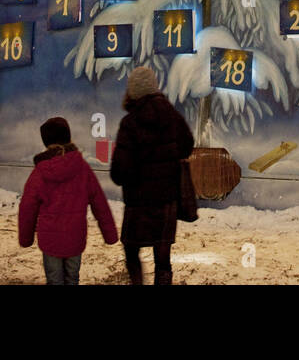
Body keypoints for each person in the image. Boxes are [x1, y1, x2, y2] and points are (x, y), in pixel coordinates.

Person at [110, 66, 194, 285]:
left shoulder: (129, 123)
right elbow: (187, 146)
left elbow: (119, 172)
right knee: (163, 256)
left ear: (133, 91)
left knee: (131, 249)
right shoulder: (173, 117)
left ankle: (137, 282)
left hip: (138, 201)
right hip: (167, 200)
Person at [18, 116, 118, 285]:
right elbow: (99, 203)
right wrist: (110, 235)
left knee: (54, 280)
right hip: (75, 238)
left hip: (50, 241)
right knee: (72, 279)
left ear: (46, 142)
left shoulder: (40, 172)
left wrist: (26, 238)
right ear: (68, 137)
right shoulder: (82, 168)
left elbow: (27, 207)